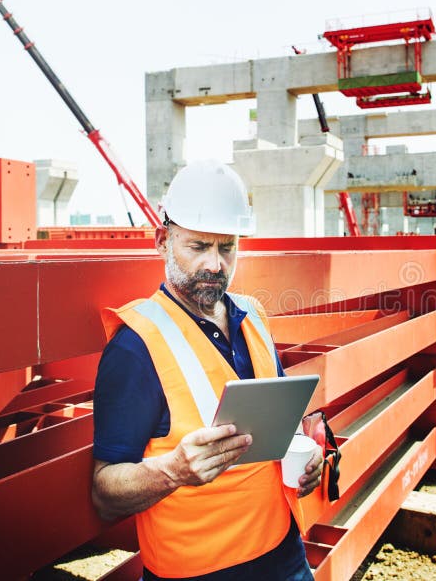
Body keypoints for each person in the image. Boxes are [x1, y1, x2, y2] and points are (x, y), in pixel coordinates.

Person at [91, 160, 322, 581]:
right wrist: (172, 471)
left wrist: (308, 457)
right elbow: (104, 492)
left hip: (285, 555)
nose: (216, 265)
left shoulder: (253, 315)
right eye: (198, 246)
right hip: (197, 571)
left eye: (227, 247)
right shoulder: (135, 346)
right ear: (163, 241)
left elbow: (282, 423)